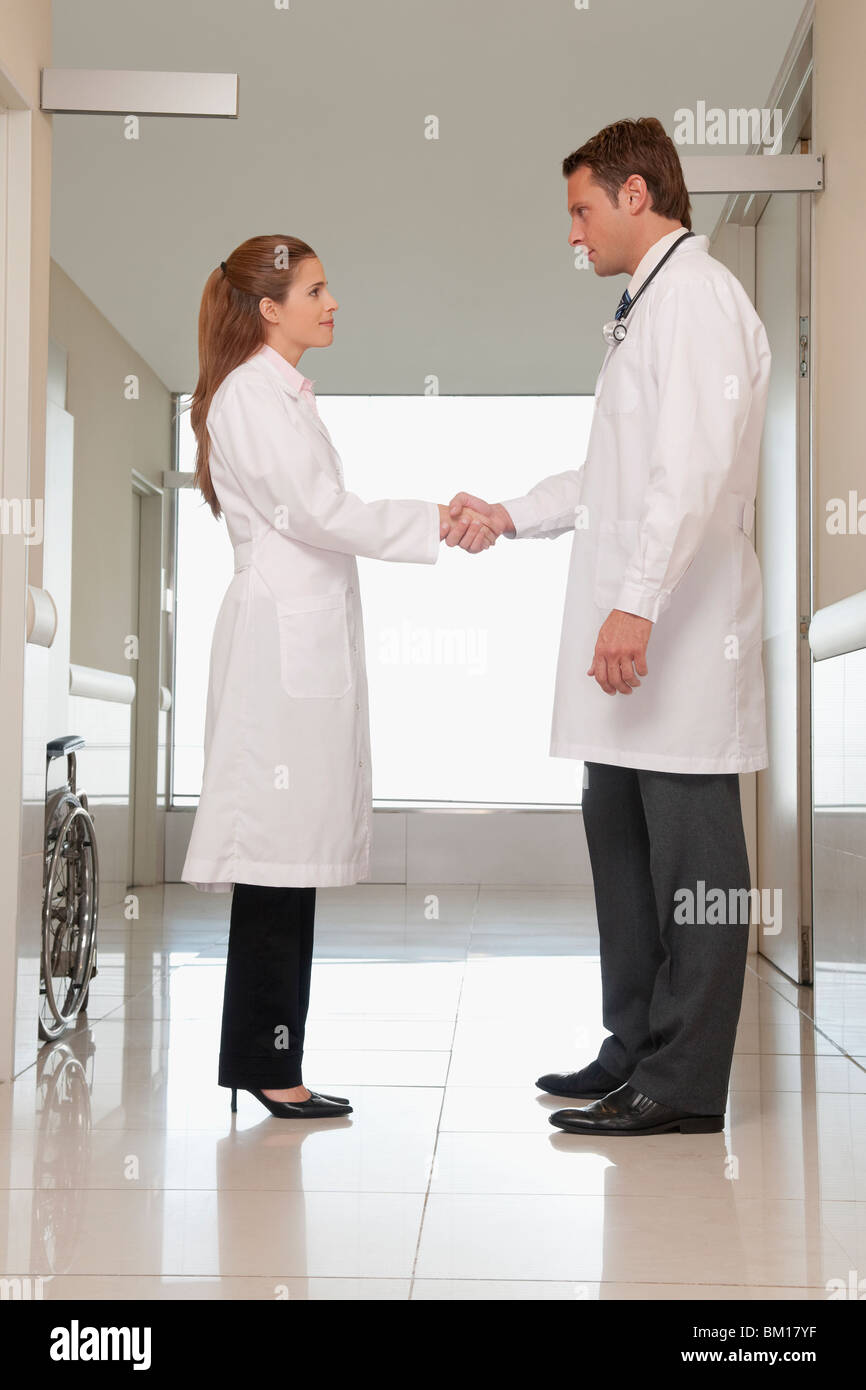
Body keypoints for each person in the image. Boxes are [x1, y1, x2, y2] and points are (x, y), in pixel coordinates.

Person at [446, 117, 772, 1136]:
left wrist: (635, 600)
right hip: (629, 653)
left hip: (673, 639)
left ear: (637, 196)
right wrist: (509, 513)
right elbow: (612, 476)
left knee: (693, 863)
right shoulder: (646, 309)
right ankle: (632, 1046)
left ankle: (677, 1086)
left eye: (581, 211)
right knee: (624, 852)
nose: (573, 235)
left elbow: (689, 469)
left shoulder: (700, 301)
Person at [181, 235, 495, 1120]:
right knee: (277, 861)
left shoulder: (278, 395)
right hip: (277, 651)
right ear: (267, 306)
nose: (333, 303)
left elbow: (316, 514)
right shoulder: (250, 395)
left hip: (295, 638)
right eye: (316, 290)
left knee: (287, 861)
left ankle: (265, 1058)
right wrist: (436, 518)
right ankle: (269, 1064)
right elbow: (318, 512)